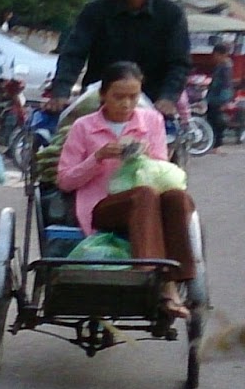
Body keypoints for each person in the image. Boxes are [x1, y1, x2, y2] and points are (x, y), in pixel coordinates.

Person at [57, 61, 195, 319]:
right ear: (103, 95)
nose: (126, 104)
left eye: (133, 97)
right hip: (102, 208)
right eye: (119, 97)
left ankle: (173, 282)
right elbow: (65, 180)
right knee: (143, 194)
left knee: (177, 197)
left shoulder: (152, 121)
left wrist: (143, 158)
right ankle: (150, 275)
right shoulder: (83, 127)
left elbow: (161, 170)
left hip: (148, 204)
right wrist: (97, 157)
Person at [46, 0, 191, 118]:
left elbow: (179, 63)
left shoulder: (171, 15)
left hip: (150, 108)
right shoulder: (96, 11)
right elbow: (73, 54)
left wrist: (168, 98)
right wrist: (60, 92)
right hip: (99, 106)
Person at [205, 36, 235, 150]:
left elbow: (226, 85)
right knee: (212, 119)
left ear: (222, 54)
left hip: (218, 98)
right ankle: (214, 144)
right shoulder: (221, 65)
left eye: (216, 55)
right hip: (214, 97)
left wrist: (225, 101)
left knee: (216, 121)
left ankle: (217, 144)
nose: (214, 57)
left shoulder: (226, 66)